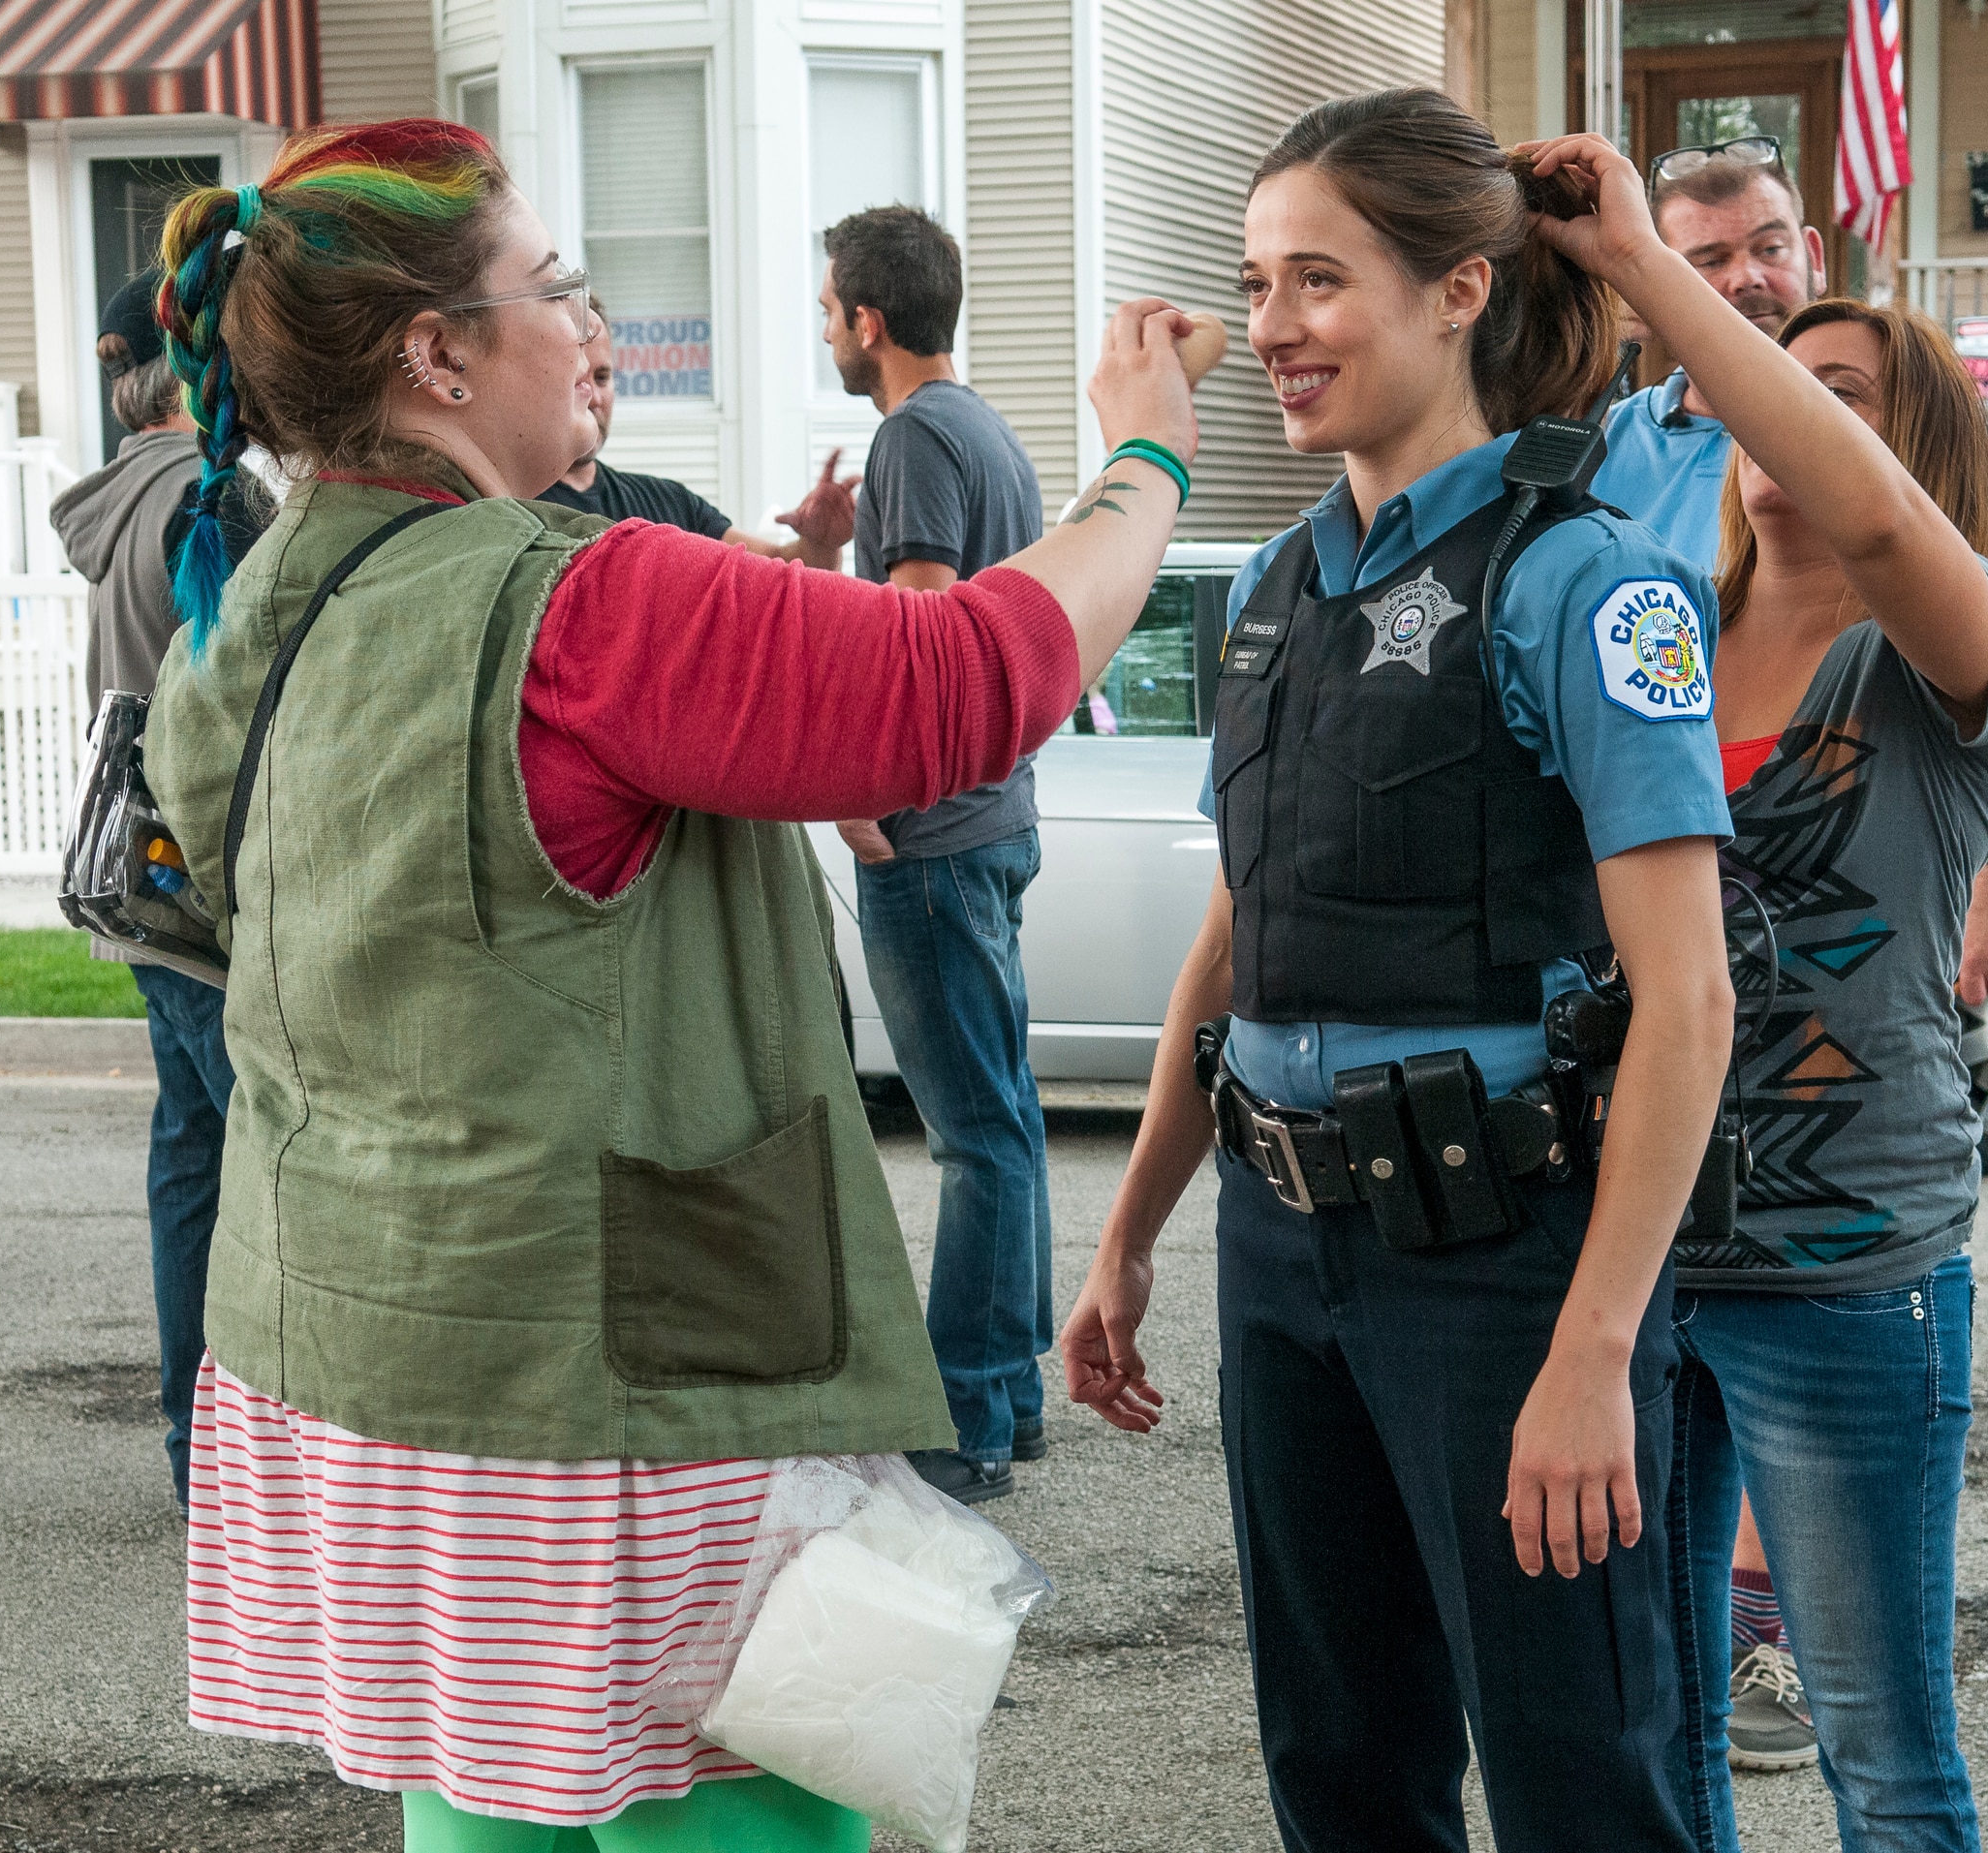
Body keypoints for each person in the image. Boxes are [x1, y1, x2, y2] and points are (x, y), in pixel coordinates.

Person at [135, 119, 1200, 1852]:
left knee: (487, 1812)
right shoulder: (579, 604)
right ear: (437, 353)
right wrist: (1145, 452)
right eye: (555, 283)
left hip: (370, 1374)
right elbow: (971, 677)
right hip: (621, 1399)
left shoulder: (247, 609)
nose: (591, 320)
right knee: (731, 1821)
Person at [1060, 89, 1733, 1851]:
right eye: (1254, 283)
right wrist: (1130, 1233)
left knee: (1583, 1776)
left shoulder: (1587, 581)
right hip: (1286, 1252)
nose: (1275, 327)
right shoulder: (1279, 585)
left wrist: (1596, 1349)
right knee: (1340, 1765)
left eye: (1319, 278)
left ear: (1459, 290)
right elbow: (1241, 936)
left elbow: (1691, 998)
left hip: (1507, 1264)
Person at [1527, 132, 1988, 1851]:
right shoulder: (1663, 629)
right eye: (1767, 386)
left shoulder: (1949, 647)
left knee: (1882, 1753)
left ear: (1907, 443)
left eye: (1836, 395)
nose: (1777, 413)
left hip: (1851, 1269)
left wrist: (1649, 271)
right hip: (1648, 1254)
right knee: (1660, 1723)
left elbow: (1876, 514)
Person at [1592, 134, 1988, 1013]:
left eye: (1767, 247)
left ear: (1810, 251)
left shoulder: (1923, 570)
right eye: (1706, 262)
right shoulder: (1609, 457)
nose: (1744, 279)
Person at [816, 203, 1054, 1506]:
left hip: (933, 832)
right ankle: (1012, 1396)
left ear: (871, 318)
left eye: (829, 310)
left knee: (973, 1136)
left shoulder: (911, 435)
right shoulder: (987, 428)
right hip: (995, 819)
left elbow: (918, 628)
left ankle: (965, 1417)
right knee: (1004, 1116)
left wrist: (860, 784)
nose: (827, 333)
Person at [47, 268, 265, 1511]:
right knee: (271, 1171)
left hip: (136, 883)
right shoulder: (209, 496)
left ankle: (198, 1454)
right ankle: (255, 1471)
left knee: (191, 1158)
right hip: (209, 890)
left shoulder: (119, 500)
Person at [542, 293, 857, 565]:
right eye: (577, 379)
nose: (594, 397)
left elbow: (778, 570)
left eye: (602, 378)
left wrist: (820, 544)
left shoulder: (666, 504)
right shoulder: (519, 515)